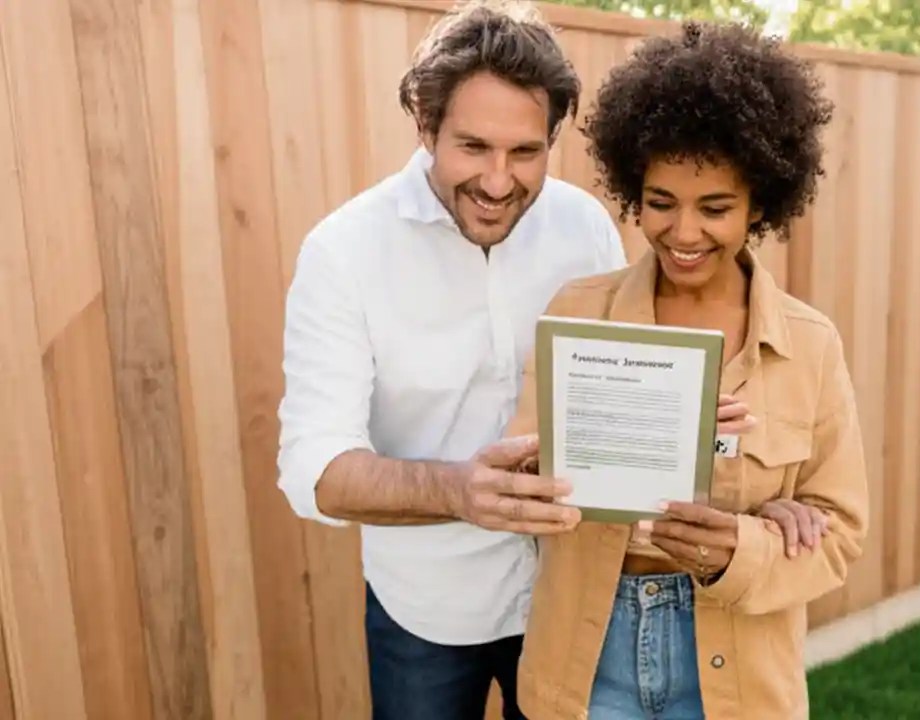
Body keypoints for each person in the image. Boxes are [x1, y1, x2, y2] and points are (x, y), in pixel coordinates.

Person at [275, 2, 829, 718]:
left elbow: (622, 402)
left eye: (524, 152)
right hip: (428, 611)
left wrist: (754, 496)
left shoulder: (581, 227)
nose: (497, 180)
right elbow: (314, 470)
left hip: (572, 609)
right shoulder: (344, 253)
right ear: (426, 126)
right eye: (473, 147)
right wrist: (456, 491)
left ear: (553, 138)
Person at [502, 19, 870, 720]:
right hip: (588, 658)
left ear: (759, 203)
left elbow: (840, 531)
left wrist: (748, 543)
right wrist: (605, 440)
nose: (684, 233)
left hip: (738, 669)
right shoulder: (579, 312)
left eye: (716, 208)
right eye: (661, 204)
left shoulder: (810, 345)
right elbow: (525, 480)